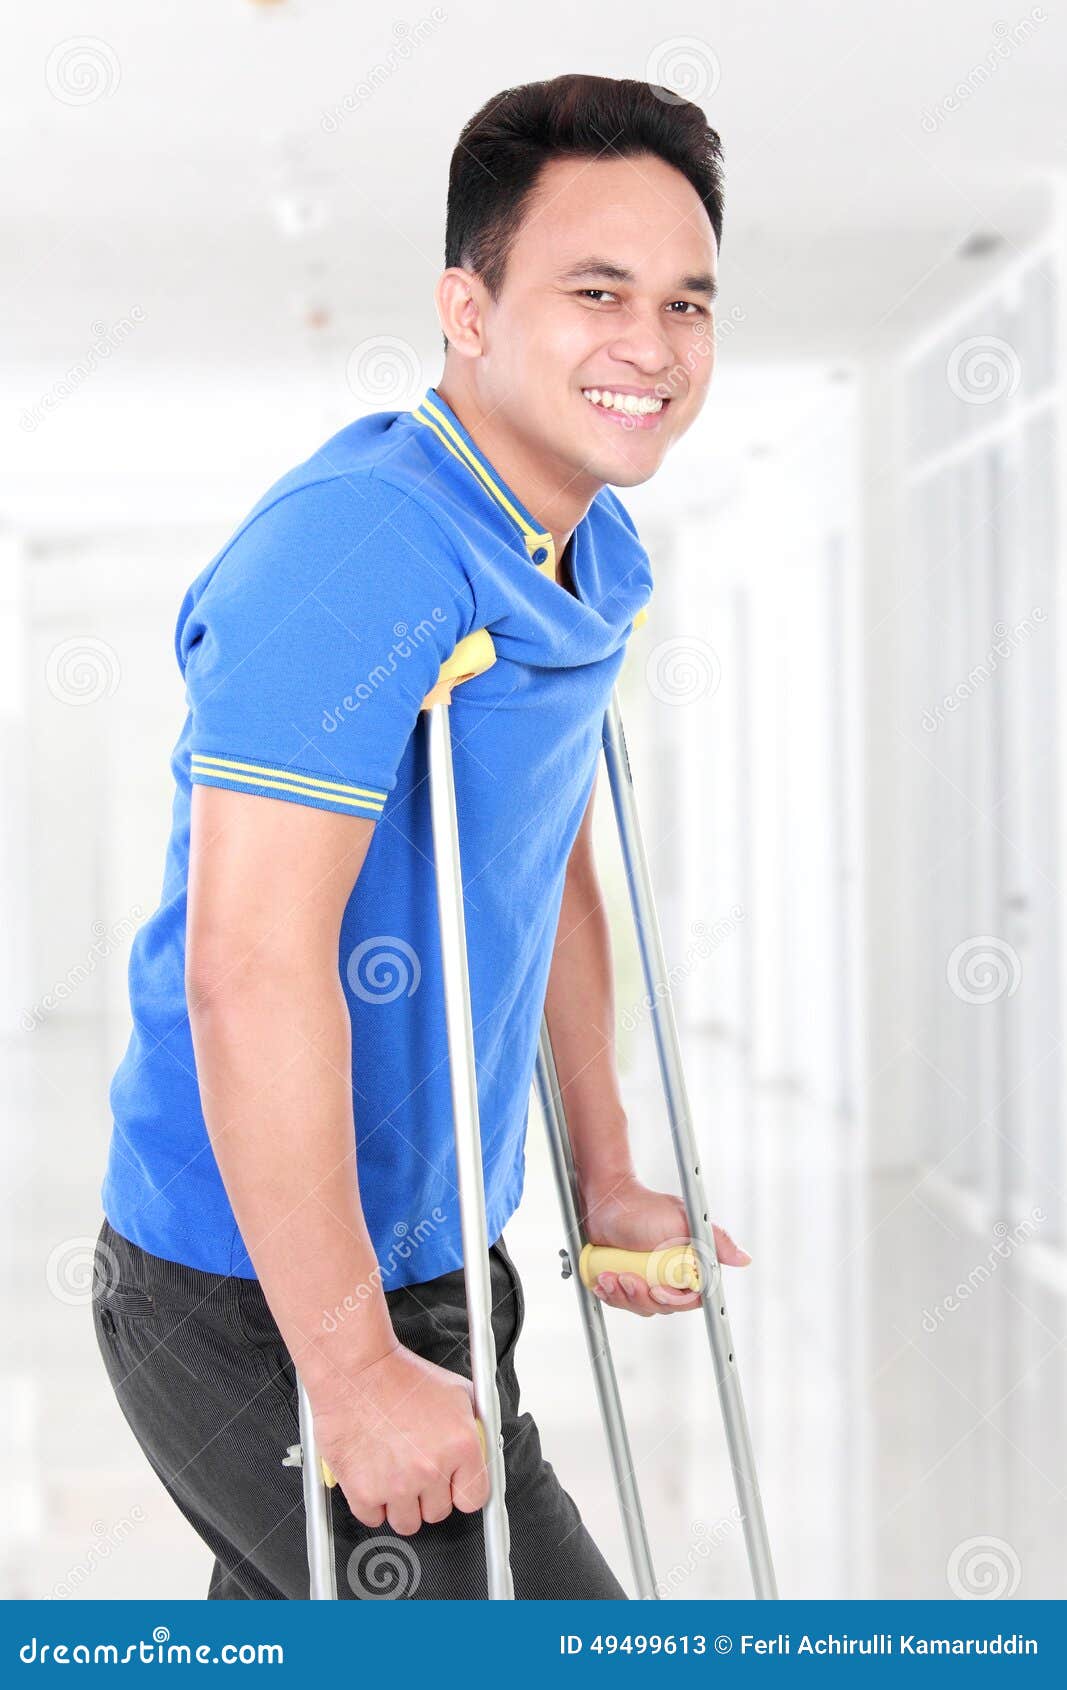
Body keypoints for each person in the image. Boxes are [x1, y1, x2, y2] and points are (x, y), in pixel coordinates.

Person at [92, 70, 750, 1601]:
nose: (649, 346)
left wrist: (605, 1165)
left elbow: (537, 851)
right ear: (468, 305)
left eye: (687, 302)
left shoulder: (588, 539)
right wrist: (352, 1364)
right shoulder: (362, 547)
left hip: (435, 1247)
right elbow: (247, 968)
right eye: (597, 291)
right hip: (253, 1284)